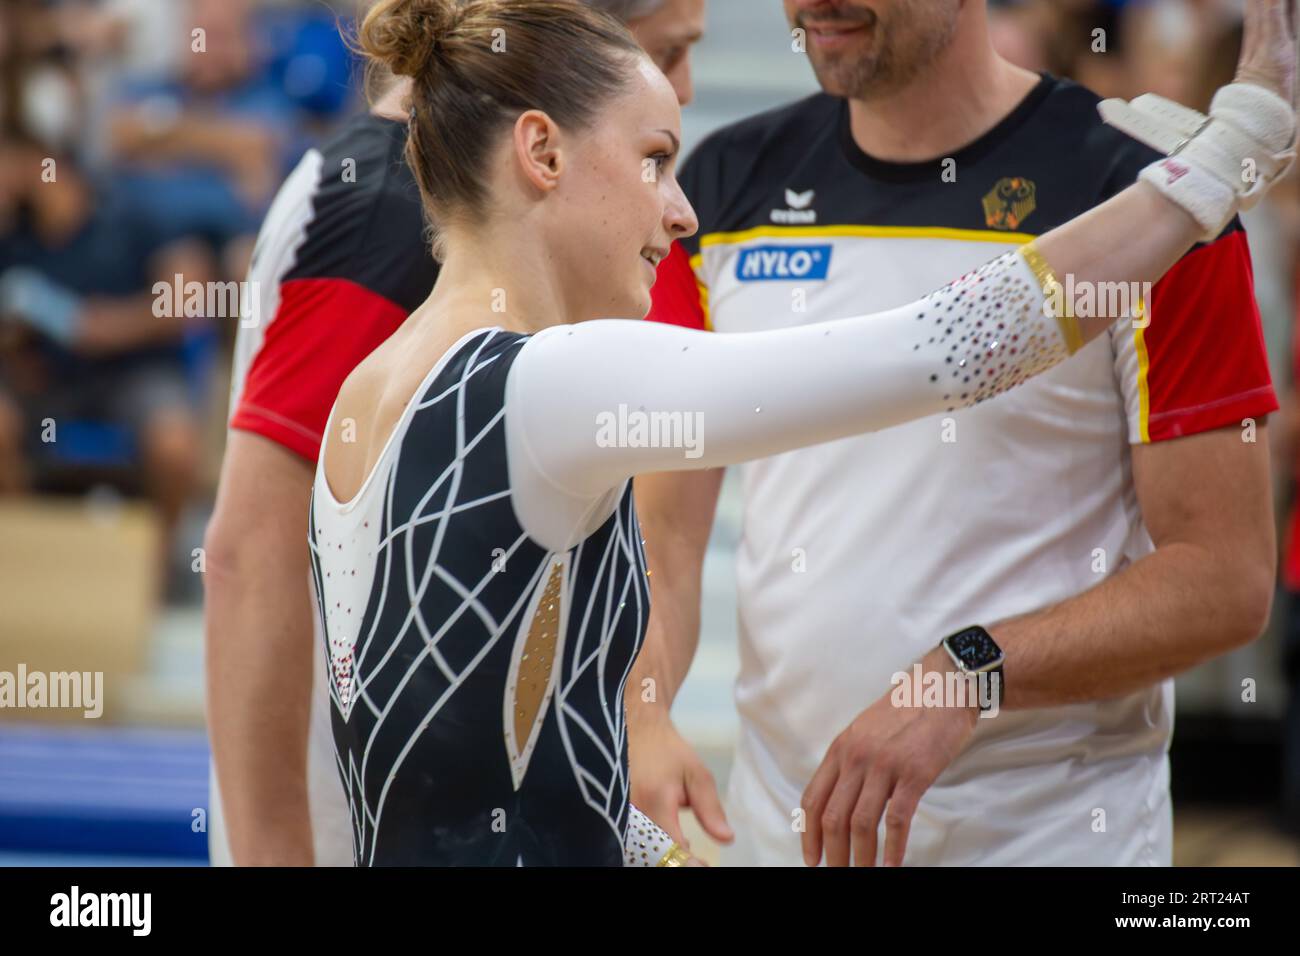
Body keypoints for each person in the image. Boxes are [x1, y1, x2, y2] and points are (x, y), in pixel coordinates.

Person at [310, 0, 1294, 865]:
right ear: (543, 152)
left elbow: (461, 746)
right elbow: (939, 349)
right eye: (653, 159)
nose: (678, 208)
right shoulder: (561, 380)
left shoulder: (373, 384)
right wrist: (1214, 167)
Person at [628, 0, 1290, 867]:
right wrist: (643, 713)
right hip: (778, 833)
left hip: (1044, 841)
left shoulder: (1152, 204)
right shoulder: (720, 186)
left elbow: (1226, 578)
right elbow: (667, 533)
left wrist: (967, 672)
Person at [204, 0, 705, 866]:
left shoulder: (454, 224)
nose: (689, 86)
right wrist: (272, 848)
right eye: (668, 53)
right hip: (350, 822)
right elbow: (250, 549)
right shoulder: (391, 215)